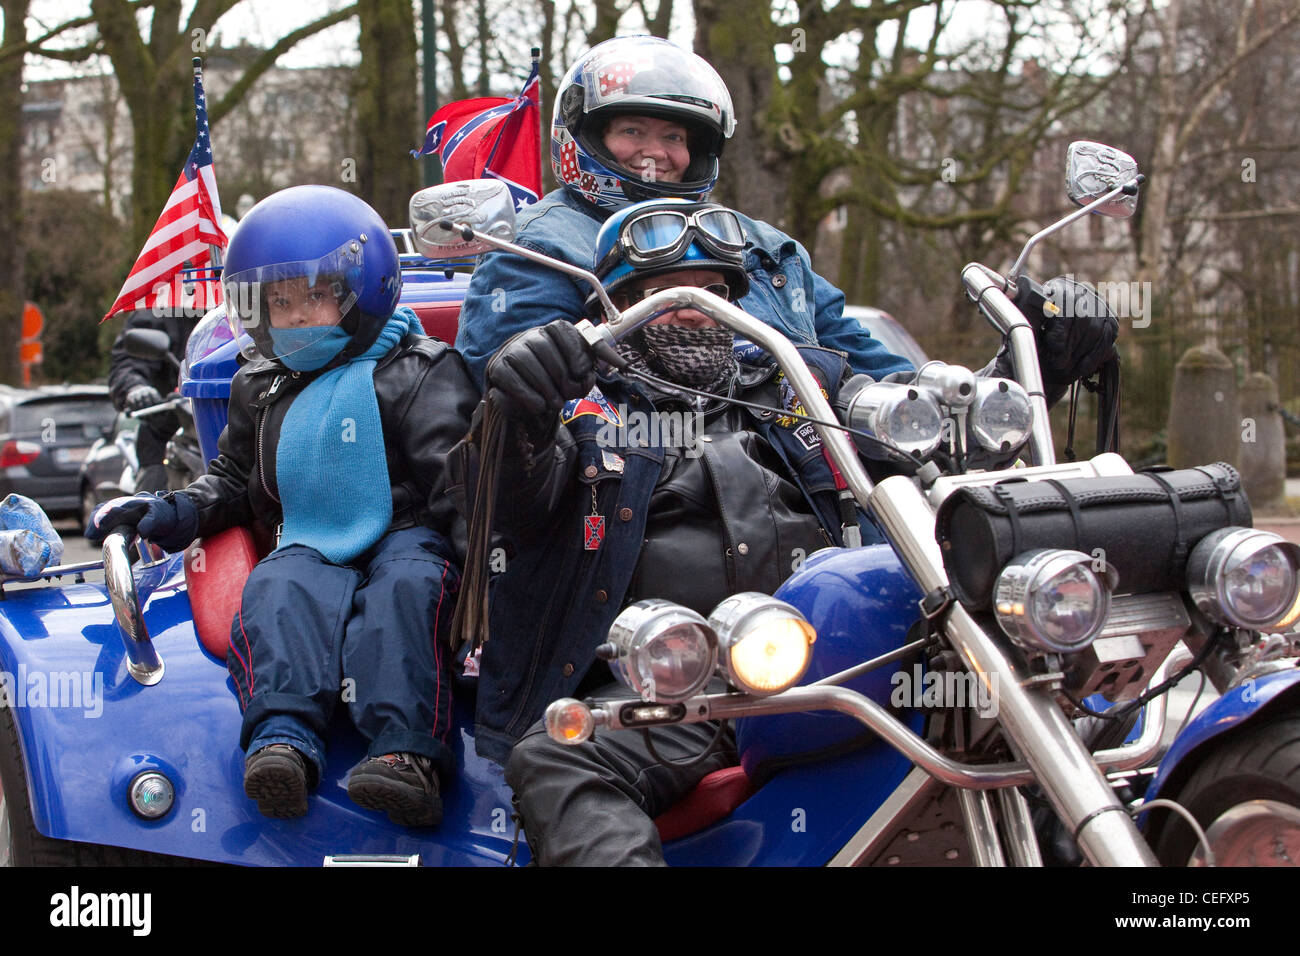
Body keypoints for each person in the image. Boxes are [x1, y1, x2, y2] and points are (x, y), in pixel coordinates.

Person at [457, 198, 913, 865]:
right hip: (676, 694)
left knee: (1009, 674)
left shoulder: (801, 387)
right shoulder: (583, 410)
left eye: (712, 291)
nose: (696, 307)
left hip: (848, 654)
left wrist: (1008, 377)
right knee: (559, 758)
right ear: (618, 306)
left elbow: (920, 429)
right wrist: (518, 412)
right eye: (666, 292)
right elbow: (505, 506)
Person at [88, 185, 480, 827]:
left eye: (317, 295)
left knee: (407, 589)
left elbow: (456, 486)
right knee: (275, 588)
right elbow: (234, 479)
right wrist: (169, 513)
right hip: (304, 538)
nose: (296, 316)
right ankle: (282, 741)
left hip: (408, 531)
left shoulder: (423, 370)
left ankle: (407, 756)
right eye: (279, 301)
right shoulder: (258, 383)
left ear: (366, 290)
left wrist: (492, 584)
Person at [454, 34, 905, 388]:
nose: (655, 153)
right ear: (585, 135)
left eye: (674, 137)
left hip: (807, 479)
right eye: (632, 130)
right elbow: (507, 394)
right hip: (645, 481)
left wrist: (937, 388)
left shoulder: (765, 246)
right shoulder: (538, 247)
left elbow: (862, 358)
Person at [107, 308, 201, 492]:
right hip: (171, 425)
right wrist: (135, 388)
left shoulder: (240, 307)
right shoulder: (161, 308)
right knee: (153, 505)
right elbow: (128, 363)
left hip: (233, 419)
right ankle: (150, 511)